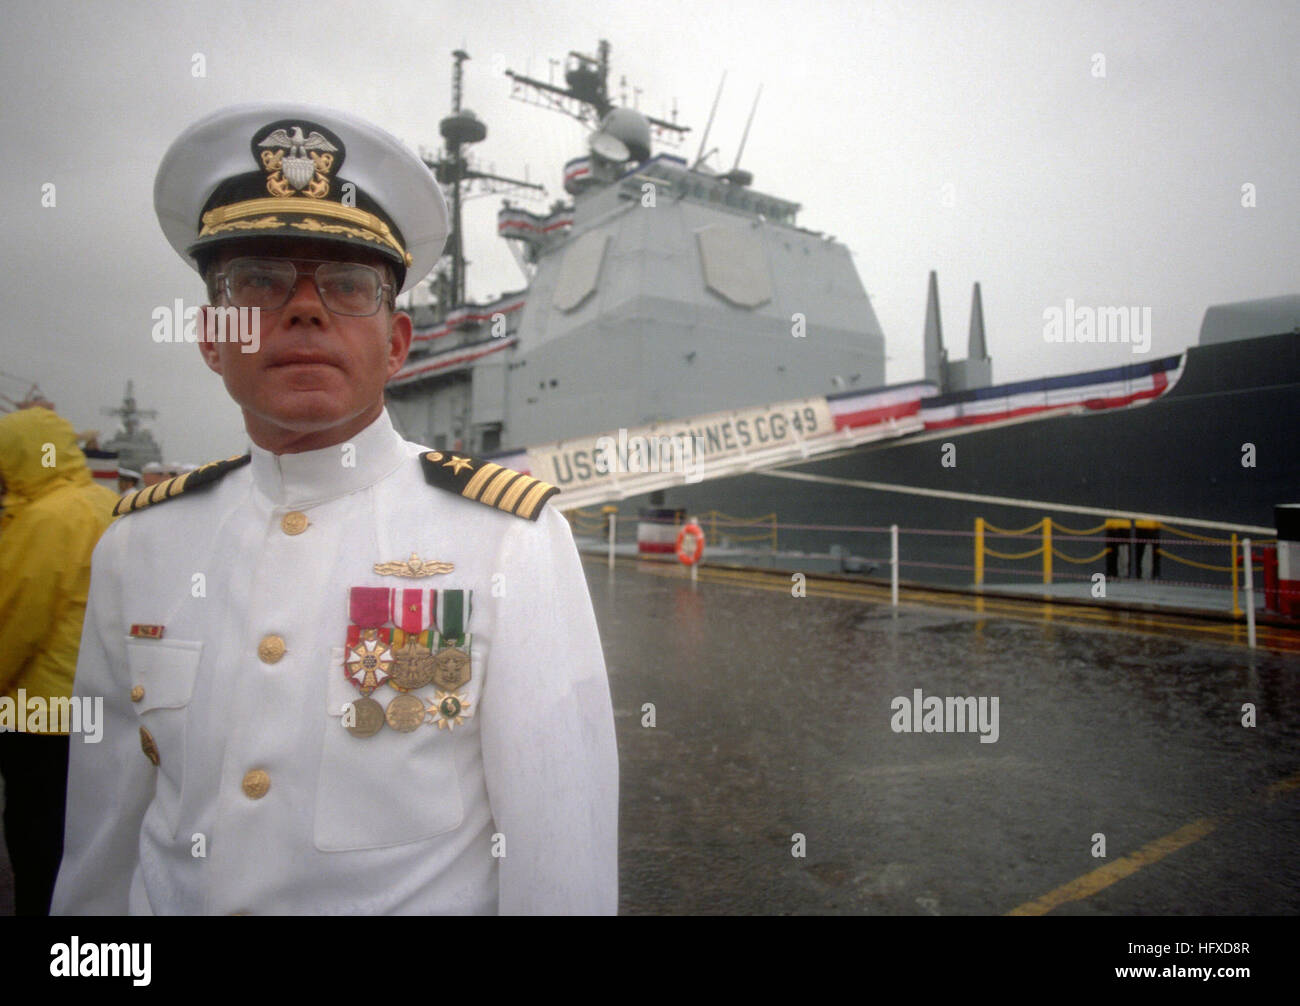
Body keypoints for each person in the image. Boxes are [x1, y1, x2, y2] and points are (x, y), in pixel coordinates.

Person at [52, 103, 618, 915]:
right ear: (213, 334)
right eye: (259, 280)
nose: (306, 308)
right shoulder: (138, 546)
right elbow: (99, 848)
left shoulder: (509, 541)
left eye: (349, 285)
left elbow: (562, 863)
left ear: (396, 344)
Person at [0, 406, 119, 914]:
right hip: (100, 704)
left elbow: (16, 619)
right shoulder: (108, 503)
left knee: (34, 833)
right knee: (87, 832)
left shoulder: (46, 517)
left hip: (38, 709)